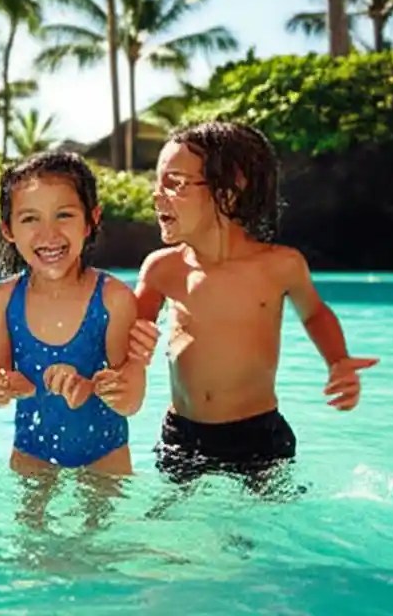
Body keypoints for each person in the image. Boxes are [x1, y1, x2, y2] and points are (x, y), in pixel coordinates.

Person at [132, 121, 377, 486]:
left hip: (258, 436)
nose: (157, 196)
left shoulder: (279, 266)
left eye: (175, 183)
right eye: (158, 182)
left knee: (257, 536)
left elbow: (314, 313)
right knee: (175, 530)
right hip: (183, 434)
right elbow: (127, 332)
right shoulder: (163, 269)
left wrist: (338, 361)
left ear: (229, 192)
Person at [0, 152, 146, 477]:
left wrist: (92, 387)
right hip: (31, 455)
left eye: (64, 215)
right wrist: (3, 388)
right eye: (29, 219)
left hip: (105, 457)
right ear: (8, 229)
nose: (48, 234)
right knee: (27, 530)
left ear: (91, 220)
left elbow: (130, 402)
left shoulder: (113, 299)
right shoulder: (2, 299)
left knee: (107, 530)